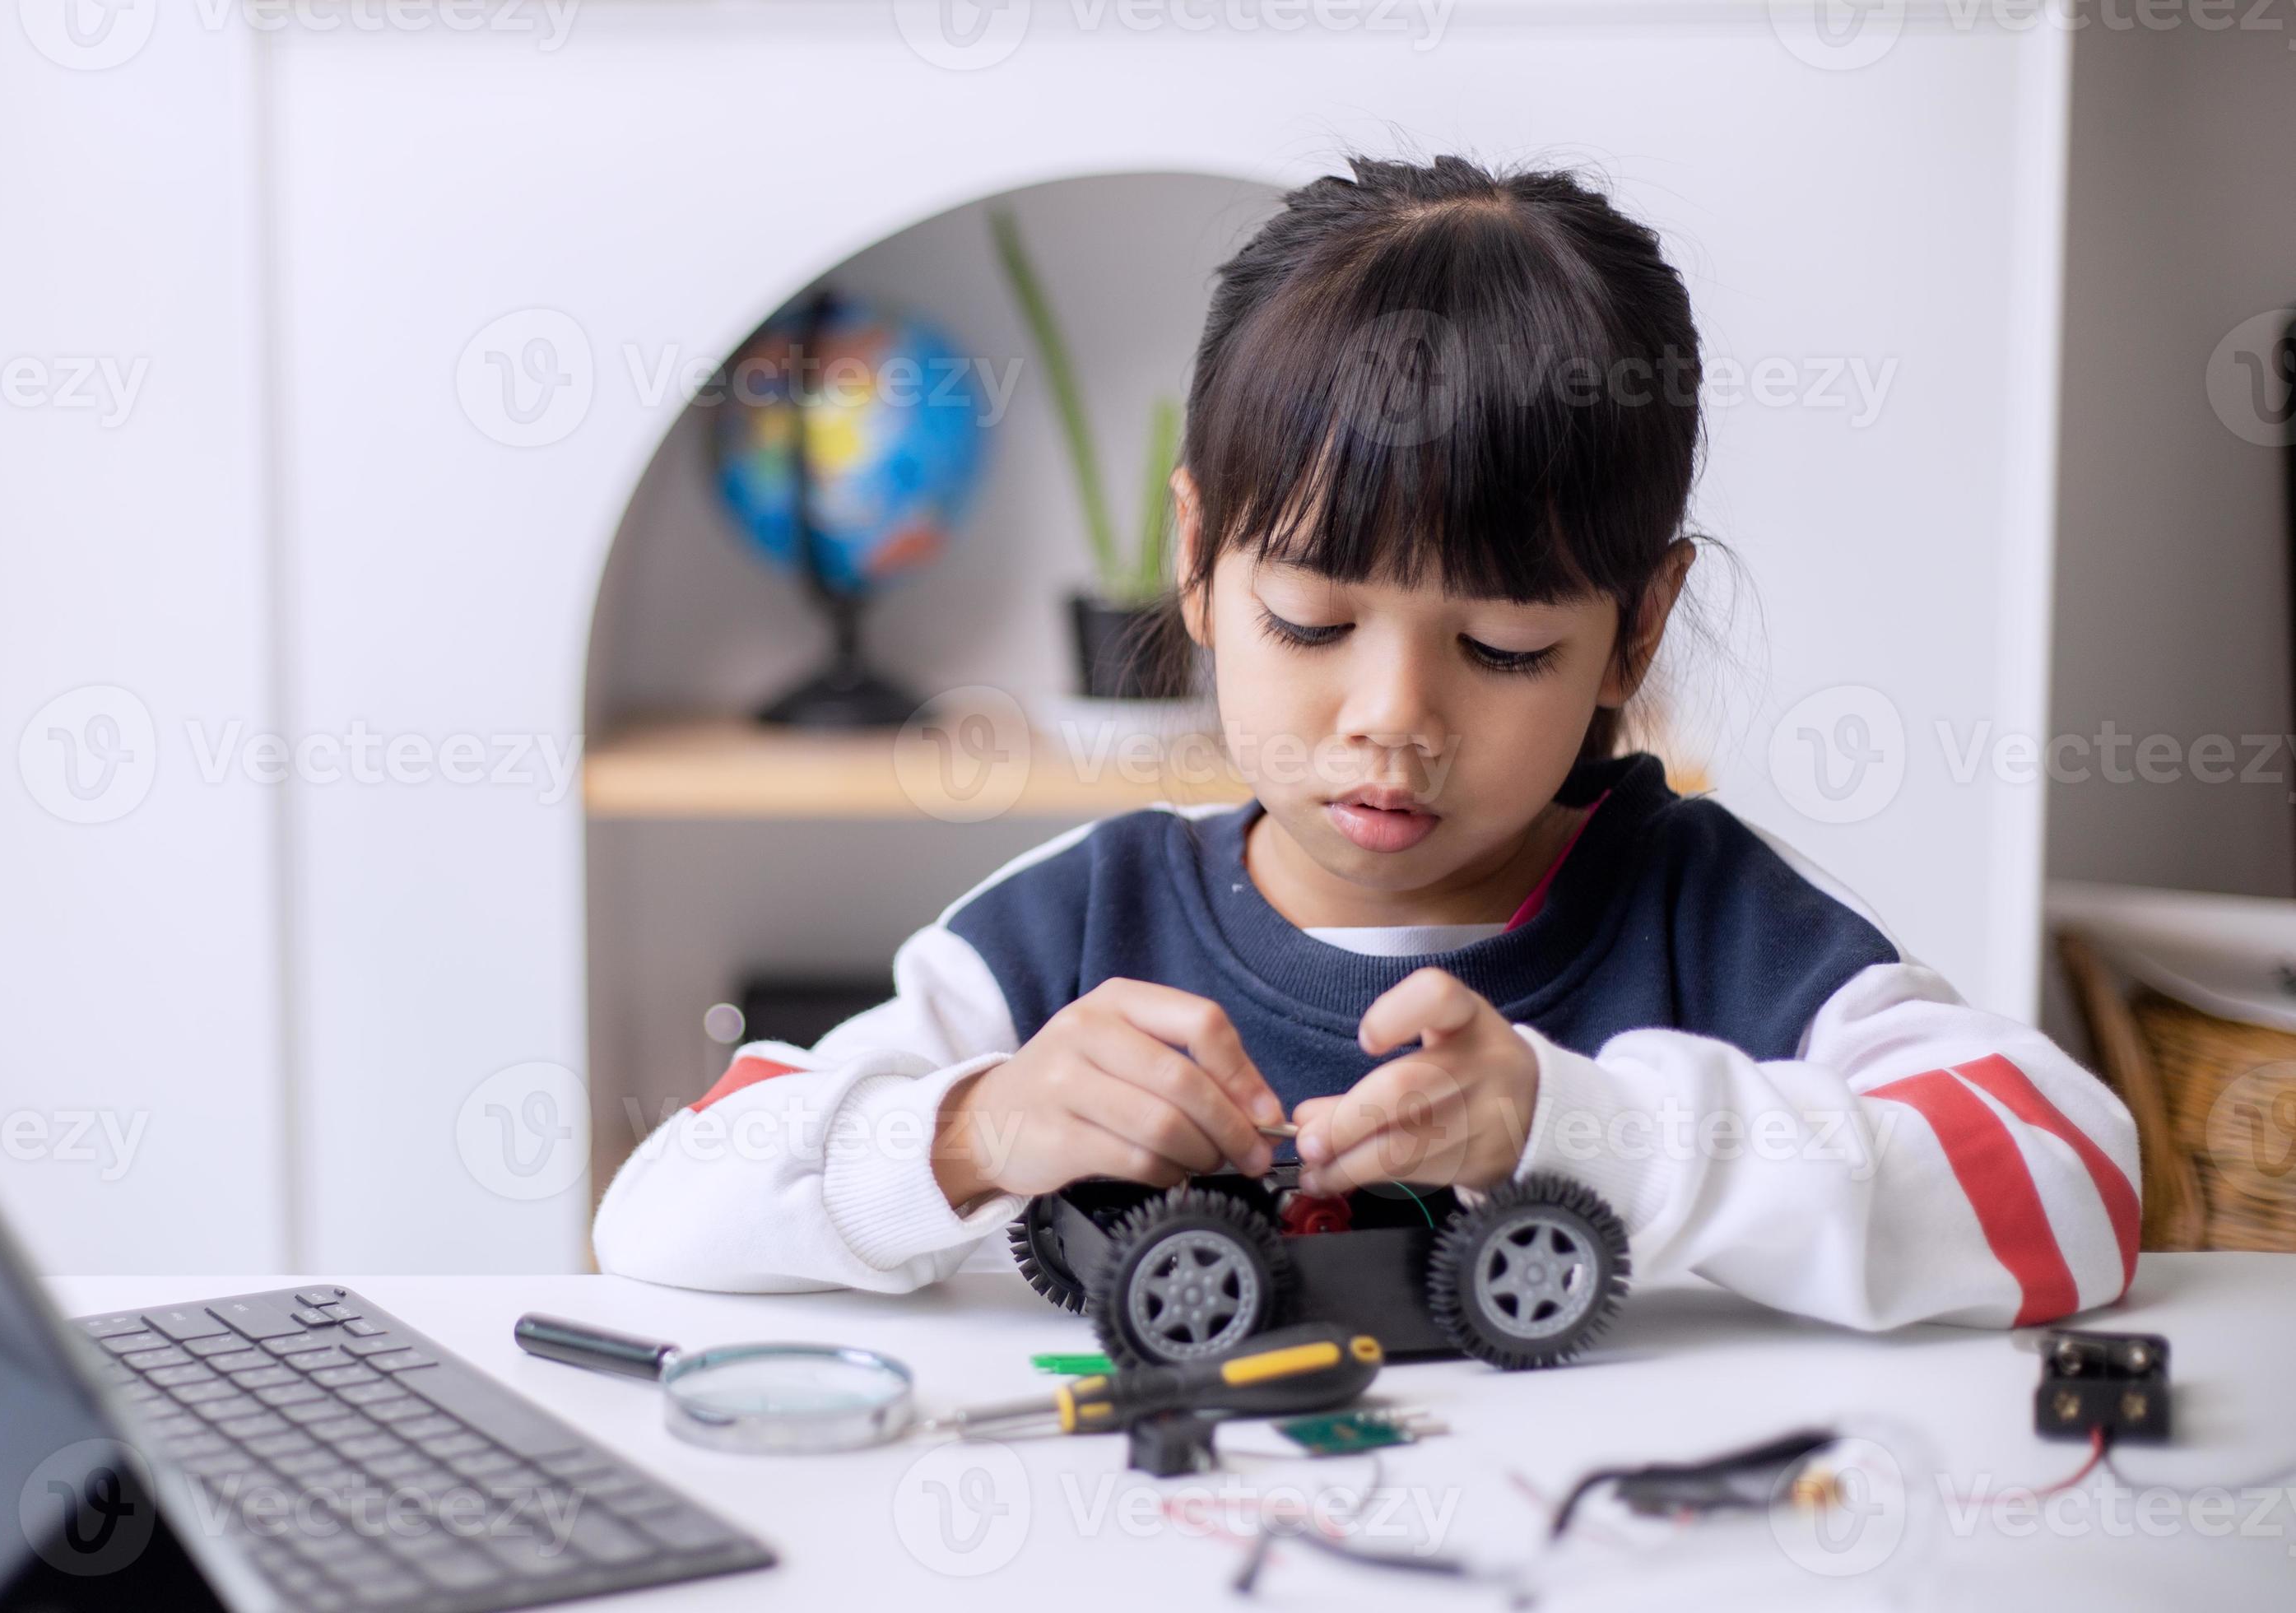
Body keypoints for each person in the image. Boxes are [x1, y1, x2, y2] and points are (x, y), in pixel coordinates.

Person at [593, 155, 2137, 1332]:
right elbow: (658, 1217)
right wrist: (973, 1128)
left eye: (1506, 647)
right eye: (1314, 626)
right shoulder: (1085, 918)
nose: (1391, 719)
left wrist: (1586, 1129)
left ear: (1638, 628)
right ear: (1197, 564)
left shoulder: (1705, 913)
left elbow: (2073, 1183)